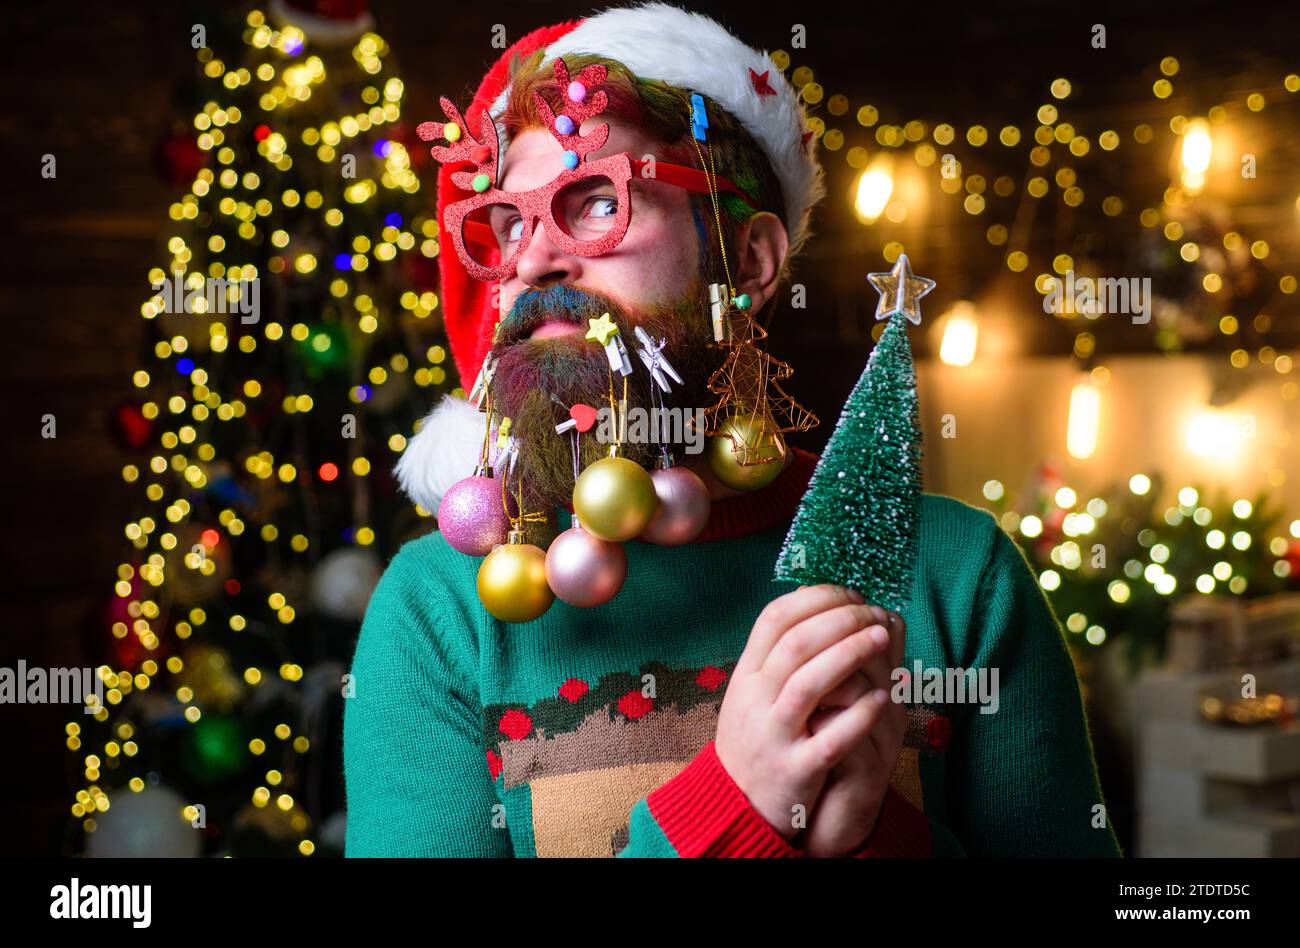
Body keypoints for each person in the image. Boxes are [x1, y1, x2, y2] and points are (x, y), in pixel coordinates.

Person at [342, 2, 1122, 858]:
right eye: (509, 224)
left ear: (749, 259)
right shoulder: (438, 611)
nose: (532, 259)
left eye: (596, 201)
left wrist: (872, 840)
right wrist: (736, 810)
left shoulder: (959, 576)